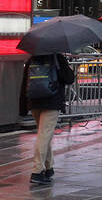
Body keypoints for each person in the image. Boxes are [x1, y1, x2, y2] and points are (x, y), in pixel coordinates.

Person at [24, 48, 77, 185]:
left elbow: (25, 82)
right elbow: (69, 78)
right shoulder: (57, 58)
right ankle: (37, 171)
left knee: (44, 135)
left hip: (34, 102)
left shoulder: (33, 58)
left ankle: (49, 168)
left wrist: (23, 106)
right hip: (51, 102)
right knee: (43, 136)